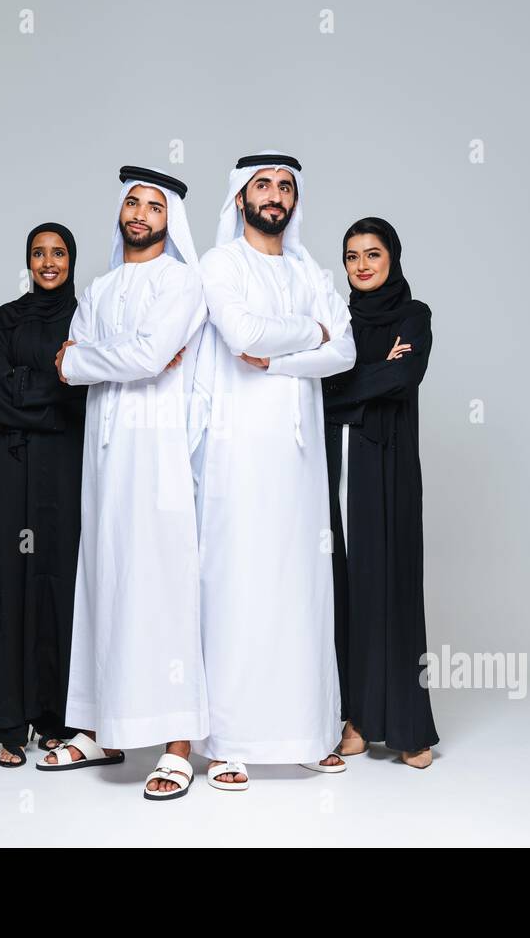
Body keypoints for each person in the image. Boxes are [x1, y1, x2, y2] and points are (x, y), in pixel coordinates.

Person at [38, 167, 210, 802]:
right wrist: (108, 357)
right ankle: (100, 728)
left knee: (163, 584)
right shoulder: (101, 287)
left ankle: (177, 744)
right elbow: (87, 358)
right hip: (104, 458)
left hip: (160, 455)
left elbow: (129, 356)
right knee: (103, 579)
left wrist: (89, 359)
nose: (140, 215)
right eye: (132, 204)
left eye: (154, 207)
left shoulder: (183, 282)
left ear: (171, 220)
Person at [188, 151, 356, 790]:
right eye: (263, 184)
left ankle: (305, 733)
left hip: (298, 458)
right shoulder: (219, 264)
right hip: (235, 454)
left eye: (286, 185)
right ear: (239, 198)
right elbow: (240, 334)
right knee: (235, 585)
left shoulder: (308, 267)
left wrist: (285, 359)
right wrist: (307, 334)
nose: (275, 194)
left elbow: (344, 349)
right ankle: (226, 743)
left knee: (299, 588)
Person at [321, 216, 439, 769]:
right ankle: (354, 719)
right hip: (335, 464)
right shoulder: (336, 318)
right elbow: (321, 389)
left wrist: (352, 382)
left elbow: (403, 377)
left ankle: (409, 727)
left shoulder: (415, 316)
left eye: (372, 254)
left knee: (390, 582)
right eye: (351, 257)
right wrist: (364, 376)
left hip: (387, 466)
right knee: (342, 584)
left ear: (392, 256)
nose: (362, 266)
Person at [0, 222, 87, 767]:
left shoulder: (87, 317)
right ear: (28, 260)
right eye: (38, 253)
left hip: (65, 469)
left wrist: (30, 387)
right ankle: (8, 724)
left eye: (58, 253)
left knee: (60, 582)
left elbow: (86, 396)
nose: (48, 262)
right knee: (7, 581)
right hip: (10, 467)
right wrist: (51, 385)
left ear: (71, 259)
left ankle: (59, 718)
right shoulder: (7, 319)